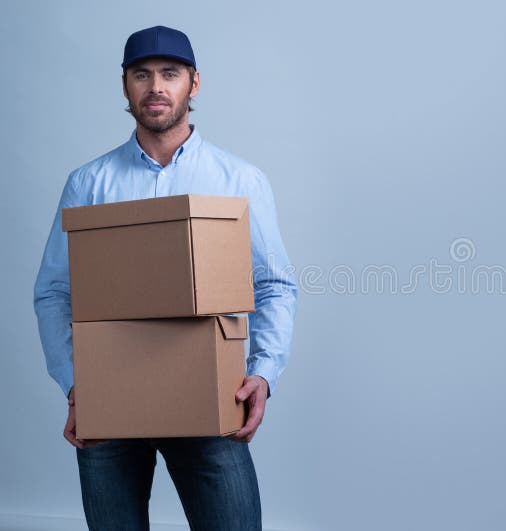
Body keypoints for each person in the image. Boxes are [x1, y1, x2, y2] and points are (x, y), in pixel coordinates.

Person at [33, 25, 297, 531]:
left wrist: (263, 374)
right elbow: (54, 291)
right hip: (110, 398)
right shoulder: (89, 183)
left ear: (193, 83)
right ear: (125, 85)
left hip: (209, 395)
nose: (155, 86)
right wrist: (75, 384)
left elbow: (273, 285)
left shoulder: (238, 180)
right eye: (142, 75)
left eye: (170, 74)